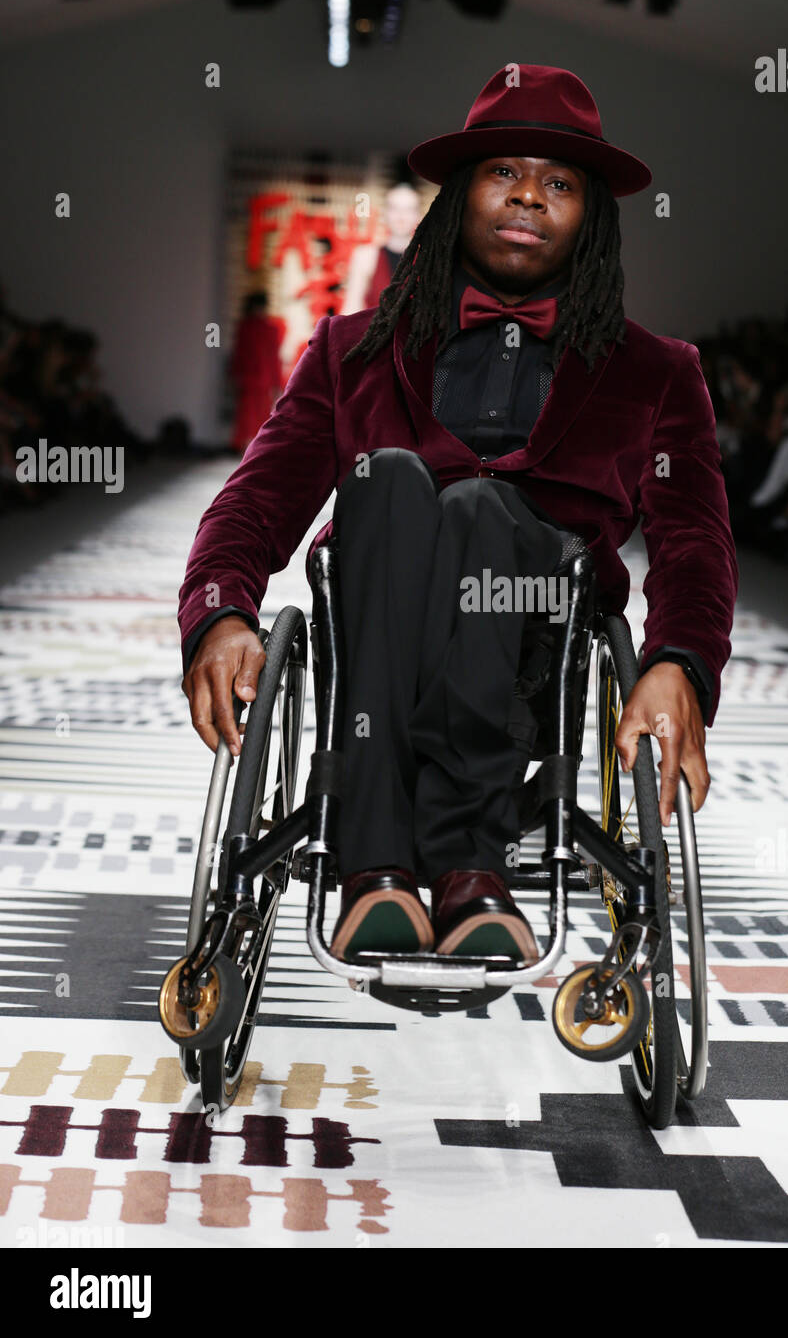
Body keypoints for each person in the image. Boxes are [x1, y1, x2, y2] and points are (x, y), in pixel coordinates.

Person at [179, 64, 738, 965]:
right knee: (394, 480)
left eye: (559, 182)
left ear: (591, 214)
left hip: (534, 636)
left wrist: (679, 663)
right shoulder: (349, 349)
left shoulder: (656, 372)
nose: (528, 196)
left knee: (485, 507)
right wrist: (220, 611)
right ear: (459, 196)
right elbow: (255, 501)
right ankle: (381, 864)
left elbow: (693, 541)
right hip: (378, 613)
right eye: (502, 172)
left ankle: (464, 861)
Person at [342, 182, 424, 315]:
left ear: (419, 215)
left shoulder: (429, 261)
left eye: (409, 209)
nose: (401, 216)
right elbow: (351, 308)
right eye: (395, 208)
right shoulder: (366, 256)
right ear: (385, 213)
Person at [228, 291, 286, 452]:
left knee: (257, 413)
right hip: (253, 377)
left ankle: (254, 446)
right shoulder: (249, 327)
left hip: (259, 377)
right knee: (249, 413)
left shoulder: (266, 328)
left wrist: (277, 381)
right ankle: (249, 446)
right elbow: (239, 353)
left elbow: (274, 356)